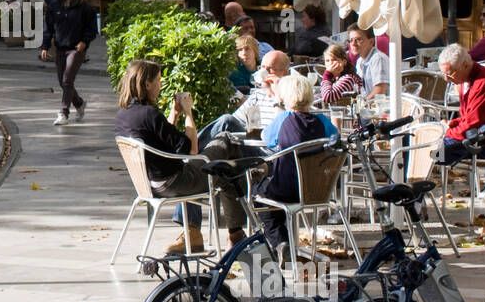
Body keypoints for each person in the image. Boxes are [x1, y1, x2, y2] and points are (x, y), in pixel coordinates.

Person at [112, 59, 250, 255]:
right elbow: (190, 150)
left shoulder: (124, 115)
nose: (160, 86)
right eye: (158, 81)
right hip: (177, 182)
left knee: (225, 165)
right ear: (147, 84)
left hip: (151, 183)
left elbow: (166, 143)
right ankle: (238, 230)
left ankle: (207, 234)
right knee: (226, 143)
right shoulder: (150, 114)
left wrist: (174, 115)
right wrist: (188, 113)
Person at [254, 74, 338, 249]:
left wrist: (278, 105)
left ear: (285, 97)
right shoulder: (323, 121)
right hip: (317, 190)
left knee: (259, 196)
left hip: (286, 189)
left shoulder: (283, 119)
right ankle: (286, 243)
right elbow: (336, 140)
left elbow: (266, 139)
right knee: (271, 195)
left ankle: (281, 242)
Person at [437, 44, 485, 166]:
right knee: (421, 145)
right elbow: (469, 118)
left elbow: (472, 125)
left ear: (465, 65)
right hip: (473, 138)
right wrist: (453, 123)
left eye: (450, 74)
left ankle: (417, 182)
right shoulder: (465, 80)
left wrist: (444, 132)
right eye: (443, 74)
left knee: (432, 151)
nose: (446, 79)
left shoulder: (484, 83)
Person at [41, 0, 98, 125]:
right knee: (63, 82)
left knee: (67, 80)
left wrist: (84, 42)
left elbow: (91, 28)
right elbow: (49, 28)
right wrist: (45, 46)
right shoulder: (55, 5)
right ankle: (79, 103)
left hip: (76, 49)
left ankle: (64, 113)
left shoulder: (84, 6)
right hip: (60, 47)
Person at [212, 49, 290, 138]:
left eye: (270, 69)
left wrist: (277, 94)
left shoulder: (293, 96)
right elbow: (236, 121)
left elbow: (285, 132)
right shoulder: (259, 95)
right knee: (221, 138)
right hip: (253, 145)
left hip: (272, 149)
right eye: (262, 67)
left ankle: (195, 148)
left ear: (285, 73)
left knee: (226, 120)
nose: (264, 72)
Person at [348, 26, 387, 96]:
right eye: (351, 40)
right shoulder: (360, 61)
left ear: (371, 41)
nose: (353, 44)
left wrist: (363, 105)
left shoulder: (378, 59)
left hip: (382, 105)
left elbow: (380, 91)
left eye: (358, 39)